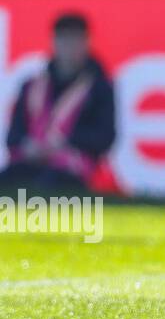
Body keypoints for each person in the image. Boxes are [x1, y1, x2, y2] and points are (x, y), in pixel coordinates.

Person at [2, 12, 116, 194]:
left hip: (71, 168)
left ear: (86, 42)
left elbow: (104, 137)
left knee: (50, 186)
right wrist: (28, 145)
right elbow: (13, 136)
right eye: (64, 39)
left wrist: (63, 143)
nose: (69, 47)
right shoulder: (32, 85)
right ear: (54, 42)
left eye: (75, 39)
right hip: (29, 161)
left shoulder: (99, 89)